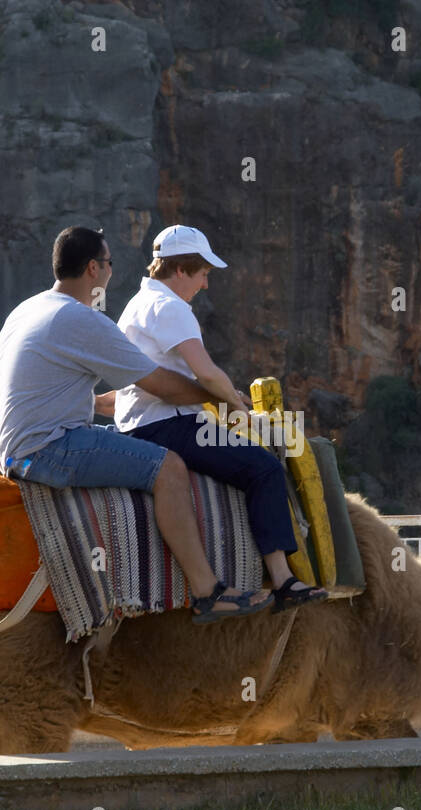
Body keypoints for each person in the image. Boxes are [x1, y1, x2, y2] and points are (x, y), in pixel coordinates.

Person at [0, 226, 270, 623]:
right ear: (93, 268)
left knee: (130, 441)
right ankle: (209, 592)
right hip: (48, 448)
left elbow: (98, 400)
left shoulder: (29, 309)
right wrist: (223, 397)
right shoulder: (80, 319)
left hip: (21, 444)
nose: (110, 270)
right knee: (167, 467)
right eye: (108, 262)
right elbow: (163, 387)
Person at [108, 225, 326, 613]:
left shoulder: (137, 304)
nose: (206, 284)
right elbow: (206, 373)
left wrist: (226, 399)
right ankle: (283, 579)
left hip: (139, 423)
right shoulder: (171, 307)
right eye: (203, 273)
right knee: (264, 468)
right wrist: (241, 412)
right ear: (181, 271)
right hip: (168, 424)